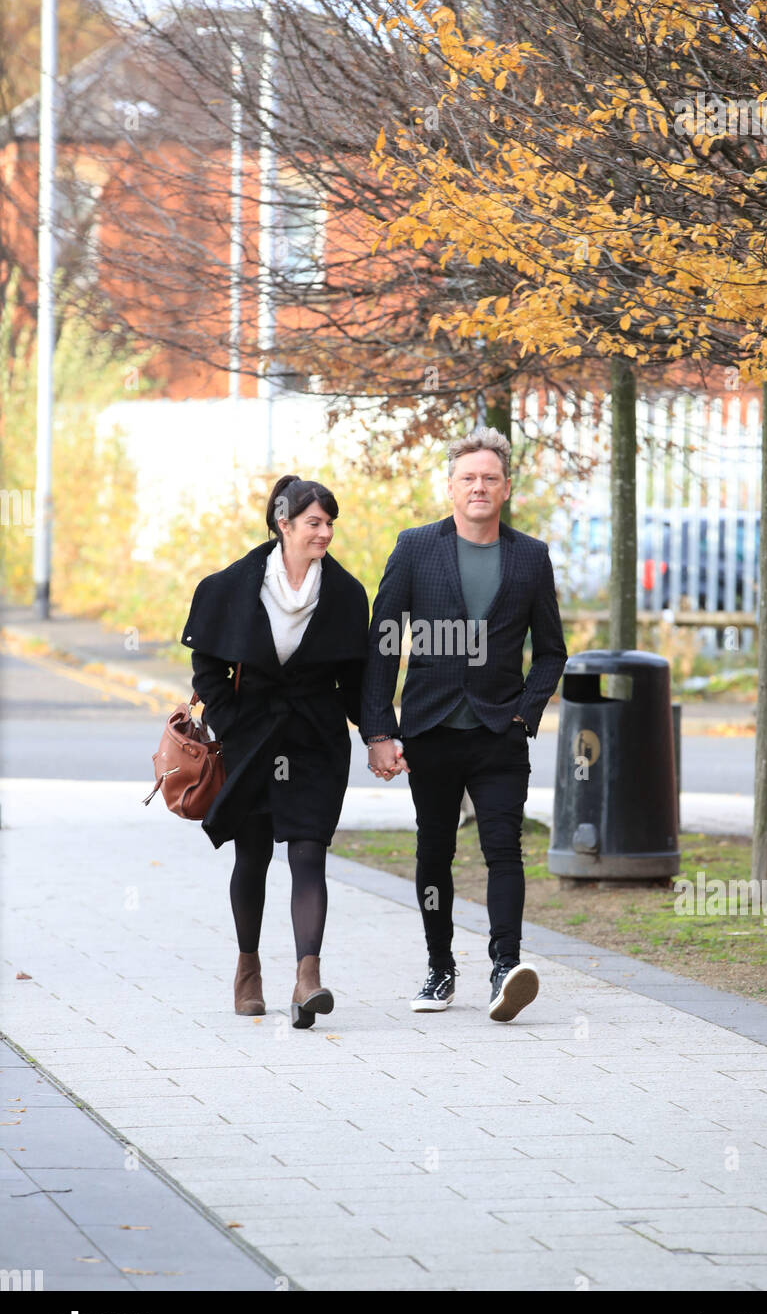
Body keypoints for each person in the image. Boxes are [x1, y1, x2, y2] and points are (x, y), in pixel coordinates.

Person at [360, 428, 568, 1022]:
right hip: (429, 731)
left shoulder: (531, 556)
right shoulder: (415, 547)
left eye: (490, 478)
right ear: (450, 486)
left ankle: (506, 967)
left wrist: (526, 713)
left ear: (506, 488)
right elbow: (382, 647)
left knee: (504, 848)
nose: (480, 486)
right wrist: (379, 732)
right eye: (468, 478)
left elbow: (551, 650)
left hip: (499, 732)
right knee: (435, 851)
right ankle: (439, 969)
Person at [180, 476, 368, 1028]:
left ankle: (308, 976)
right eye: (314, 522)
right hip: (252, 737)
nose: (325, 533)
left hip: (315, 739)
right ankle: (248, 969)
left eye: (330, 523)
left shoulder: (347, 593)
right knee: (254, 854)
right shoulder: (233, 585)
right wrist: (232, 724)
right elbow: (207, 668)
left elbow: (360, 679)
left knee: (309, 852)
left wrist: (379, 734)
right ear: (283, 524)